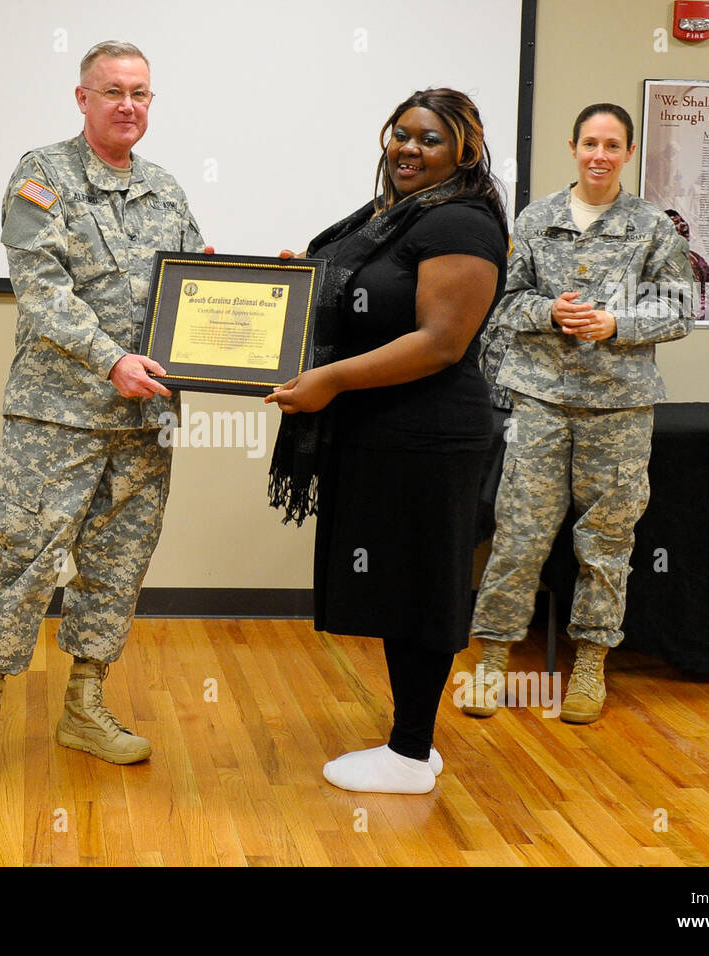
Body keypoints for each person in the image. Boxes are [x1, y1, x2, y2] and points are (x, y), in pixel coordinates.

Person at [0, 42, 207, 784]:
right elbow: (42, 286)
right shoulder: (43, 175)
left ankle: (85, 706)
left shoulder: (166, 189)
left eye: (143, 94)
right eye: (114, 91)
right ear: (82, 99)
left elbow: (196, 284)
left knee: (116, 571)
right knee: (25, 564)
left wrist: (260, 304)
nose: (130, 105)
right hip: (56, 421)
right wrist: (109, 359)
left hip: (143, 421)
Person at [266, 88, 508, 794]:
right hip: (381, 430)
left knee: (421, 588)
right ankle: (411, 744)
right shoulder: (393, 215)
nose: (408, 148)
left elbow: (439, 342)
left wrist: (330, 380)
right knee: (401, 584)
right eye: (401, 133)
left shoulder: (461, 222)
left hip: (429, 434)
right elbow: (364, 295)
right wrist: (274, 288)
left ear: (463, 149)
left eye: (430, 139)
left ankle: (408, 755)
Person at [464, 103, 693, 724]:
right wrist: (549, 314)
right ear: (573, 147)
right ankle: (491, 660)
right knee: (518, 534)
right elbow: (501, 304)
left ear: (628, 152)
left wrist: (618, 324)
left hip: (619, 409)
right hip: (539, 402)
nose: (600, 155)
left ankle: (589, 663)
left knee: (608, 543)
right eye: (590, 142)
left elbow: (680, 312)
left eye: (612, 145)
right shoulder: (535, 220)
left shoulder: (653, 227)